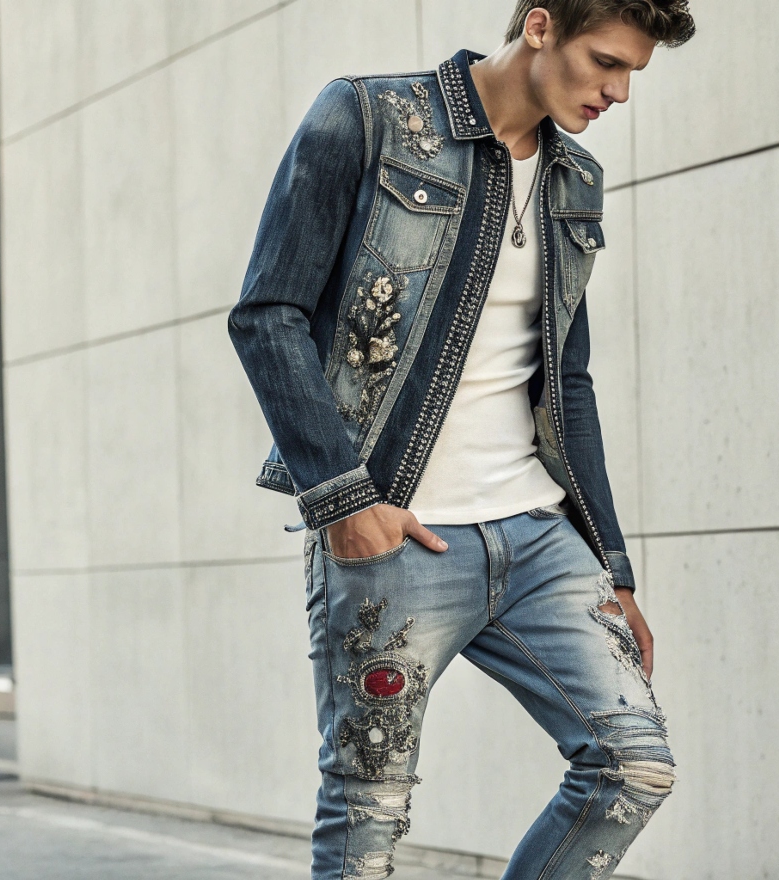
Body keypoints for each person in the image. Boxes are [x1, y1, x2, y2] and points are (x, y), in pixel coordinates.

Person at [228, 1, 696, 877]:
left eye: (633, 72)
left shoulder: (572, 181)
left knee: (632, 765)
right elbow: (267, 315)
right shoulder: (368, 119)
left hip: (538, 535)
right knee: (368, 813)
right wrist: (343, 498)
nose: (619, 92)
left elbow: (566, 383)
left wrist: (612, 566)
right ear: (541, 25)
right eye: (607, 62)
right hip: (397, 535)